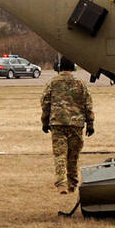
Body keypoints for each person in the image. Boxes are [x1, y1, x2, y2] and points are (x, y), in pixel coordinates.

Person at [40, 56, 94, 195]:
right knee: (73, 156)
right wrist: (90, 124)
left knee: (60, 155)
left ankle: (61, 184)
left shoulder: (52, 83)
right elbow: (88, 104)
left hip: (57, 124)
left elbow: (45, 103)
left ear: (59, 67)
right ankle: (72, 184)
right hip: (76, 124)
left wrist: (45, 122)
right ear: (73, 67)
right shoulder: (80, 83)